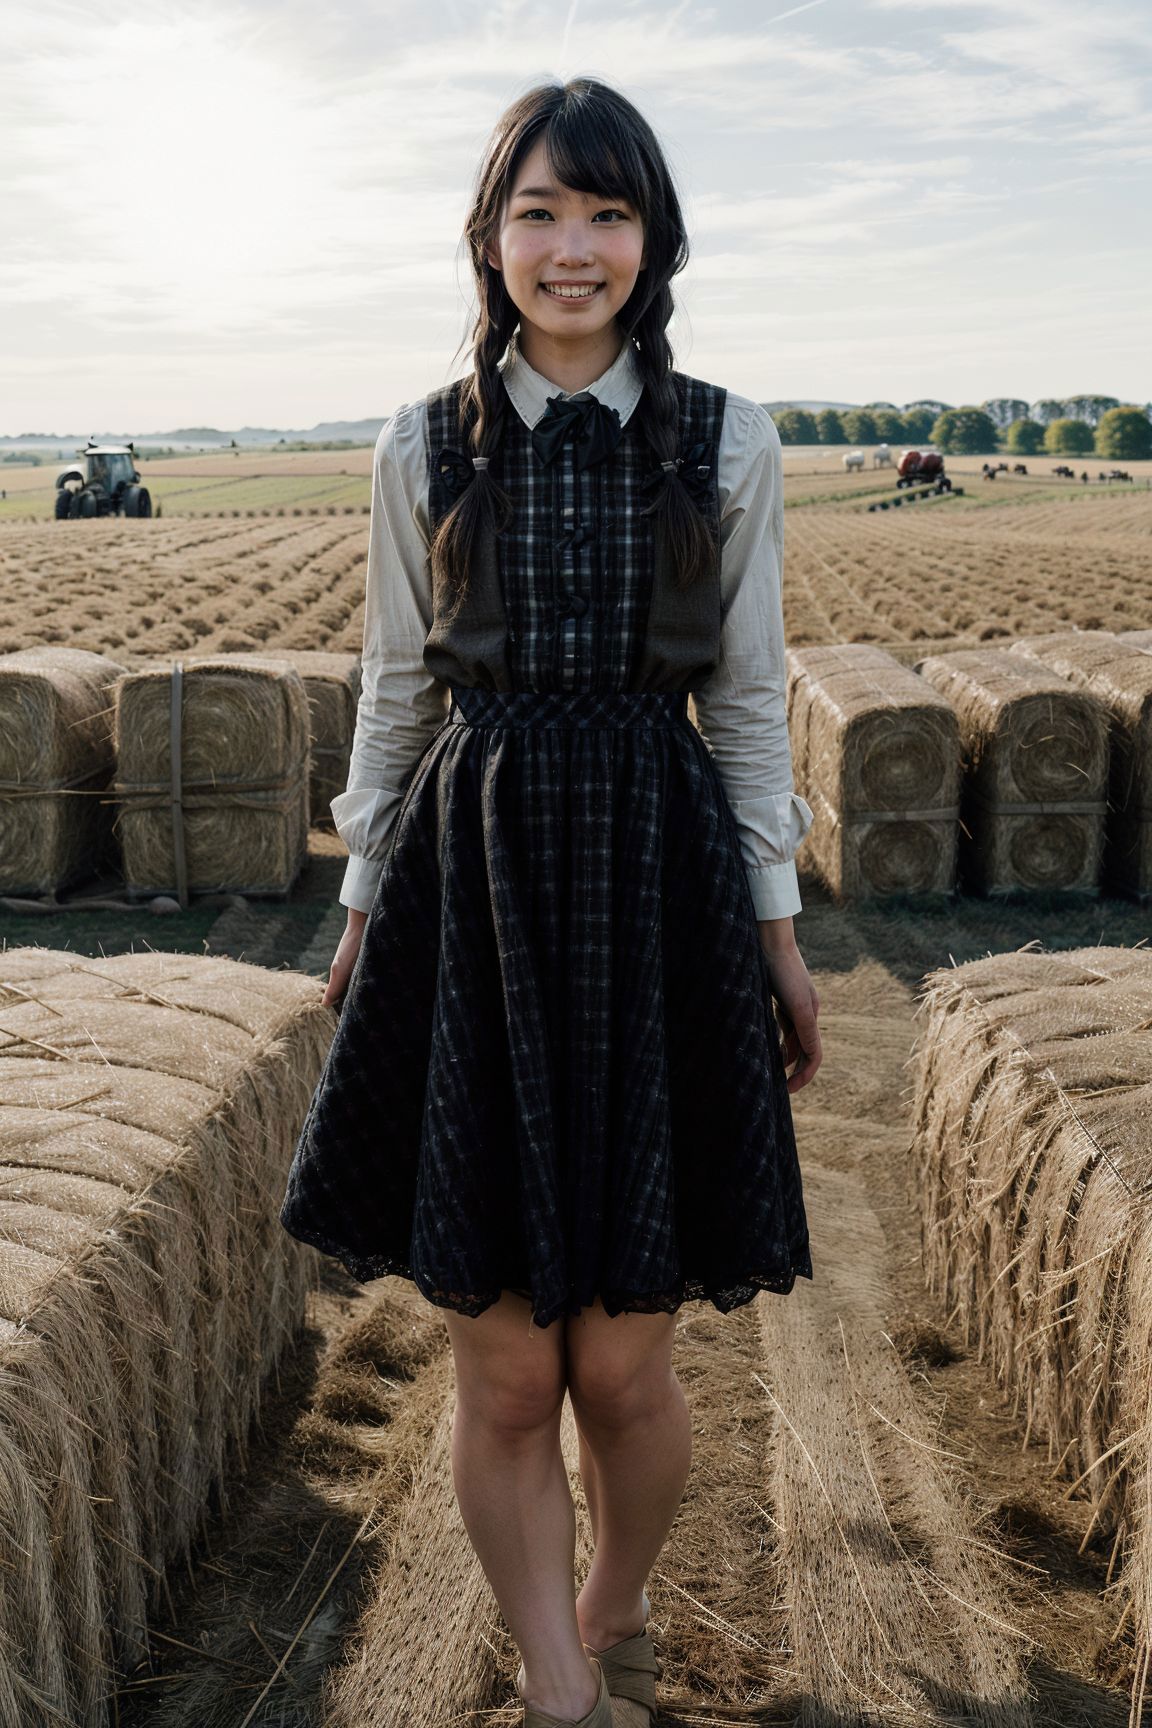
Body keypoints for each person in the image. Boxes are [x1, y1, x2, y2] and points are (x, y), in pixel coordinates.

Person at [279, 75, 822, 1728]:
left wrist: (778, 933)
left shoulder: (725, 439)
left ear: (653, 239)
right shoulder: (421, 443)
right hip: (481, 886)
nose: (571, 246)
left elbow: (746, 702)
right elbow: (396, 691)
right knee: (510, 1368)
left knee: (624, 1363)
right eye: (539, 212)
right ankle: (563, 1689)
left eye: (607, 212)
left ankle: (613, 1602)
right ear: (490, 237)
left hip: (659, 884)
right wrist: (365, 906)